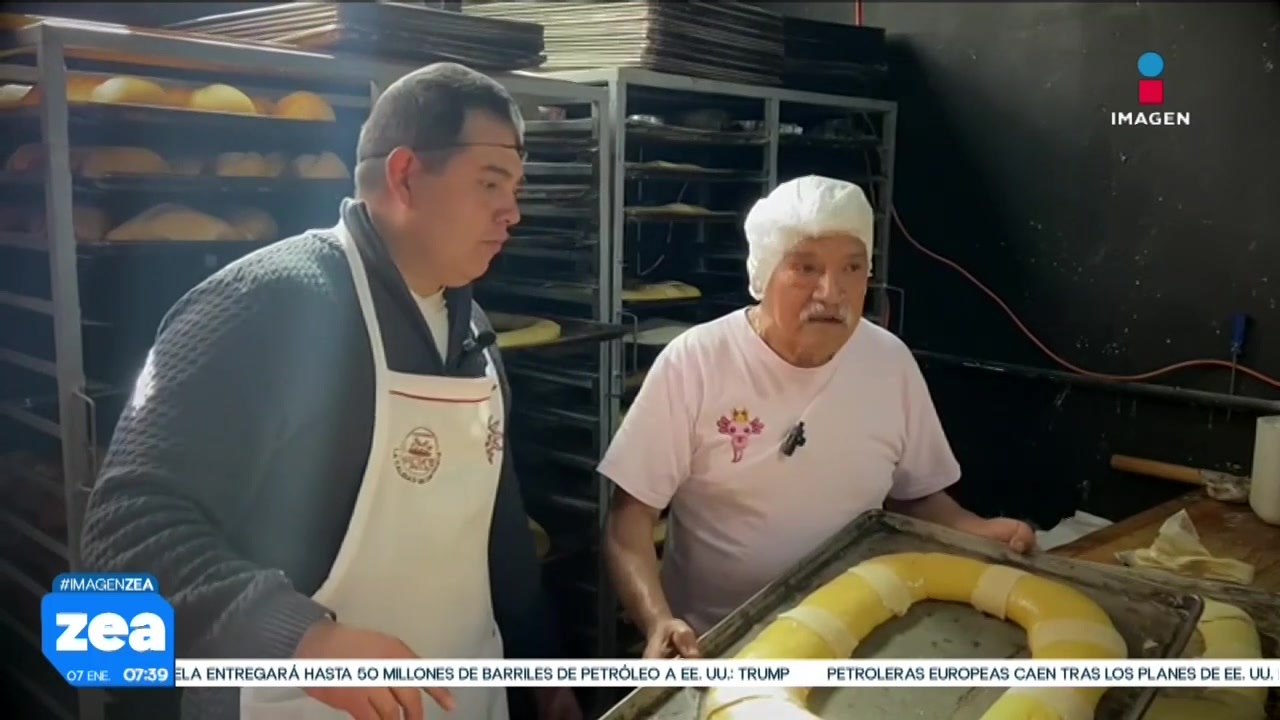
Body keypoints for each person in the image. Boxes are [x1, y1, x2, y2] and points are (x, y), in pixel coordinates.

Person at [79, 63, 581, 720]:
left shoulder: (473, 328)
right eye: (491, 183)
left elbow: (494, 523)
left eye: (516, 187)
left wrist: (543, 676)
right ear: (404, 176)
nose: (512, 211)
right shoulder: (265, 305)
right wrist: (305, 638)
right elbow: (122, 534)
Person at [599, 175, 1037, 660]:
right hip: (720, 645)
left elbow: (916, 499)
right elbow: (628, 522)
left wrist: (972, 528)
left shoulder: (888, 363)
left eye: (852, 268)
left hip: (858, 636)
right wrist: (658, 621)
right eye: (806, 267)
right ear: (764, 273)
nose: (832, 293)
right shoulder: (697, 362)